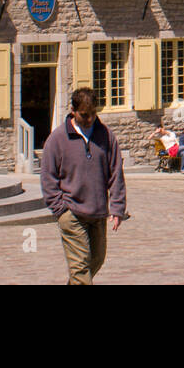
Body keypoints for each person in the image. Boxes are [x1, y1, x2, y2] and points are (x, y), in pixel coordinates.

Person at [40, 87, 127, 285]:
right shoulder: (57, 139)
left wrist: (117, 207)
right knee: (80, 267)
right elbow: (48, 177)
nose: (89, 119)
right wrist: (60, 210)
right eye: (84, 115)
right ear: (73, 110)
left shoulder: (106, 136)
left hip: (97, 212)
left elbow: (116, 173)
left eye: (93, 114)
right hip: (71, 212)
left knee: (96, 260)